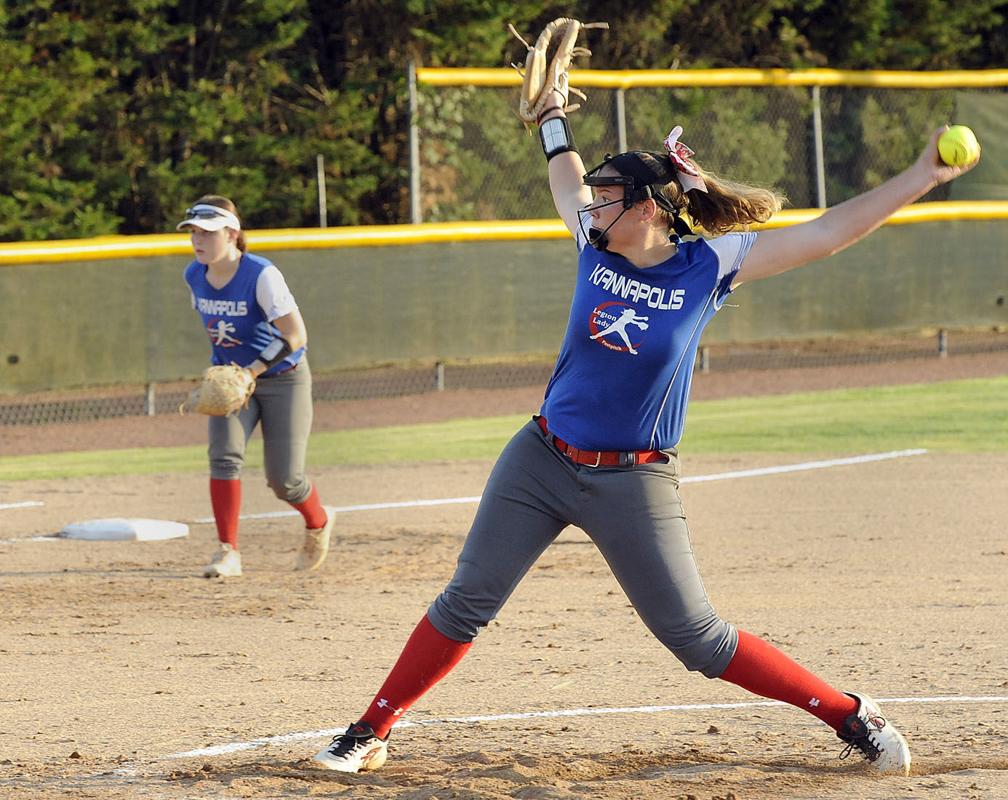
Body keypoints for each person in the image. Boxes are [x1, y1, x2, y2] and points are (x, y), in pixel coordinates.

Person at [311, 91, 979, 774]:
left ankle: (848, 713)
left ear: (647, 208)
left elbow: (829, 232)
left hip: (633, 477)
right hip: (541, 457)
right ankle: (370, 729)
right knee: (466, 600)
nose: (590, 207)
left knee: (697, 639)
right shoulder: (593, 244)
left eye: (606, 198)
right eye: (594, 199)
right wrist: (549, 120)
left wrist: (923, 174)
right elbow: (564, 174)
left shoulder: (708, 266)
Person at [177, 195, 335, 578]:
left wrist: (253, 370)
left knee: (285, 480)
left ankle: (318, 522)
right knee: (224, 457)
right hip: (232, 380)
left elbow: (296, 335)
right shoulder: (193, 275)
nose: (198, 240)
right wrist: (231, 374)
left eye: (208, 233)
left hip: (284, 379)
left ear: (232, 234)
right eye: (194, 232)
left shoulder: (261, 274)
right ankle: (227, 551)